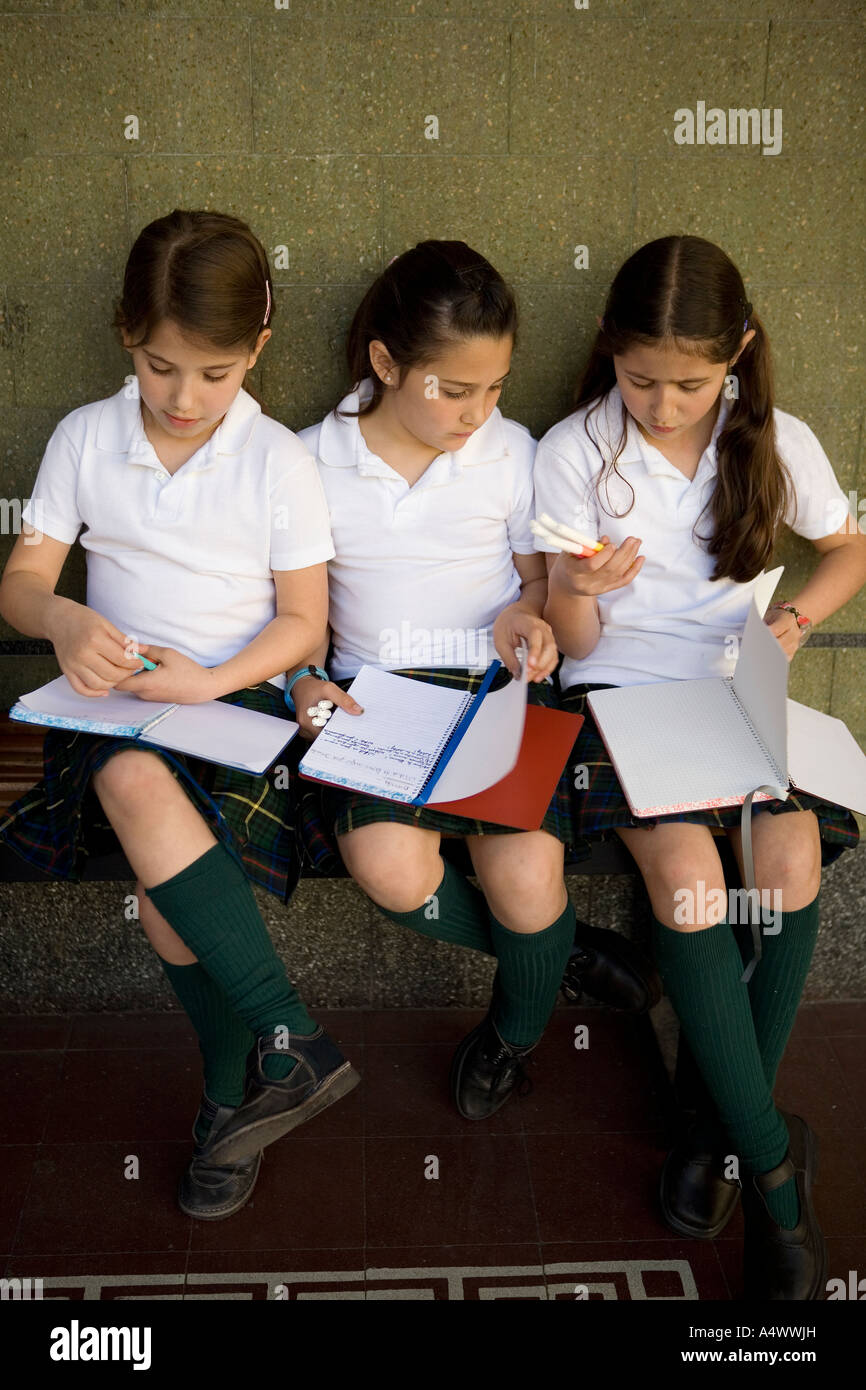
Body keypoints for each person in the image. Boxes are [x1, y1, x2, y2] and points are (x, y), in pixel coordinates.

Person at [0, 209, 359, 1221]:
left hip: (233, 699)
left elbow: (303, 623)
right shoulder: (84, 435)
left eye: (215, 372)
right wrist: (64, 617)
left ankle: (231, 1092)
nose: (186, 397)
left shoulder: (278, 461)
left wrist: (210, 680)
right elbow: (22, 581)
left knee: (164, 895)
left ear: (258, 346)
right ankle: (289, 1053)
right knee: (125, 779)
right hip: (106, 694)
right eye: (162, 368)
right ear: (126, 335)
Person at [533, 234, 866, 1300]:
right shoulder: (573, 451)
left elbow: (845, 548)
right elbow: (571, 640)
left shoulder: (774, 441)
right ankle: (770, 1171)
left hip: (736, 684)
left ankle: (716, 1124)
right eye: (641, 379)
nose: (663, 404)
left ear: (737, 355)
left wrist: (791, 621)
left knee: (792, 859)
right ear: (607, 353)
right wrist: (585, 591)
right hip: (620, 698)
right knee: (687, 884)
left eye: (690, 381)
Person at [287, 239, 659, 1122]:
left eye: (492, 388)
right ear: (385, 362)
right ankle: (556, 951)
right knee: (388, 866)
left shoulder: (510, 450)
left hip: (494, 686)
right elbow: (294, 610)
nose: (475, 412)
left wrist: (524, 618)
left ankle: (514, 1035)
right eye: (452, 390)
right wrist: (304, 679)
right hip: (376, 694)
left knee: (528, 878)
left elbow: (534, 586)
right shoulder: (306, 459)